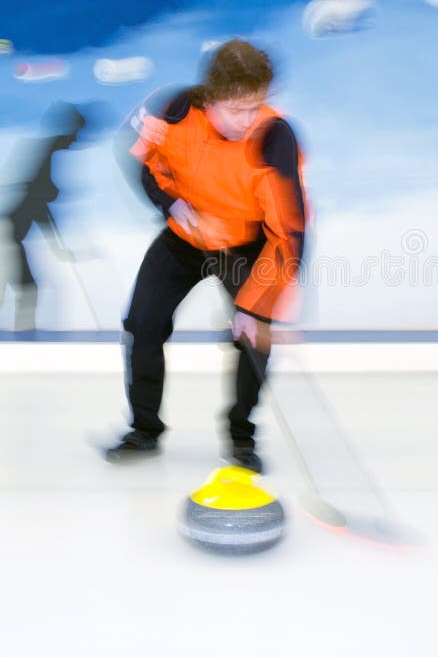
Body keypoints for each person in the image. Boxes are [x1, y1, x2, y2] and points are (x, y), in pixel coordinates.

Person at [107, 39, 307, 473]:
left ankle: (241, 437)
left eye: (256, 106)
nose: (247, 120)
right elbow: (145, 164)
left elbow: (289, 233)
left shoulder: (275, 138)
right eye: (236, 109)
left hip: (246, 246)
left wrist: (254, 307)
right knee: (142, 325)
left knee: (253, 339)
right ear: (209, 99)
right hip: (184, 240)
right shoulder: (175, 109)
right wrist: (171, 204)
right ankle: (144, 431)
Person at [0, 102, 85, 331]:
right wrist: (56, 246)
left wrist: (57, 244)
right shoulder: (48, 151)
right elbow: (39, 205)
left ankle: (4, 335)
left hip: (3, 229)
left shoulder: (46, 152)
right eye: (77, 132)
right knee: (23, 288)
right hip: (4, 229)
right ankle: (17, 338)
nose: (78, 139)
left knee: (10, 288)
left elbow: (40, 201)